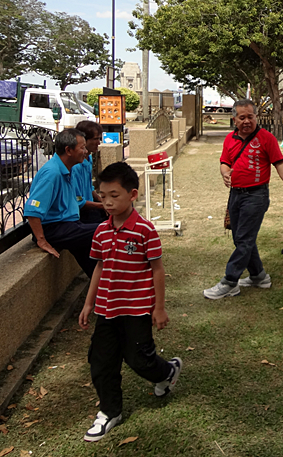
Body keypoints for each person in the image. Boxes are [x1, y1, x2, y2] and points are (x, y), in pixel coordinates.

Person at [78, 162, 181, 442]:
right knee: (101, 361)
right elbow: (99, 267)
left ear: (132, 194)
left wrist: (159, 308)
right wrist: (89, 303)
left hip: (136, 309)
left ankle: (168, 371)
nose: (108, 202)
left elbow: (157, 269)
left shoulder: (145, 231)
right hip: (108, 310)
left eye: (114, 195)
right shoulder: (100, 231)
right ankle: (110, 411)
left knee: (140, 360)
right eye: (102, 196)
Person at [203, 99, 283, 299]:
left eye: (250, 116)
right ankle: (259, 276)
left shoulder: (266, 138)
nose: (246, 121)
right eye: (242, 117)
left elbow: (279, 163)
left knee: (244, 239)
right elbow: (225, 162)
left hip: (256, 195)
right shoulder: (230, 139)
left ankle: (230, 281)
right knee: (240, 237)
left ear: (256, 117)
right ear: (235, 119)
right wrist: (224, 173)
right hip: (236, 194)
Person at [24, 128, 100, 278]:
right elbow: (32, 210)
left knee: (91, 259)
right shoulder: (52, 173)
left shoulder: (66, 169)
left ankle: (105, 291)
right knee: (105, 230)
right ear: (68, 150)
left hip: (70, 224)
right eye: (82, 147)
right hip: (55, 228)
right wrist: (42, 240)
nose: (85, 151)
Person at [74, 120, 107, 224]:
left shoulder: (88, 158)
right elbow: (78, 201)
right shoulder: (75, 165)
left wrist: (101, 199)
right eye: (95, 139)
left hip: (89, 206)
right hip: (80, 213)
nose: (99, 142)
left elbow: (89, 187)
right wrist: (103, 206)